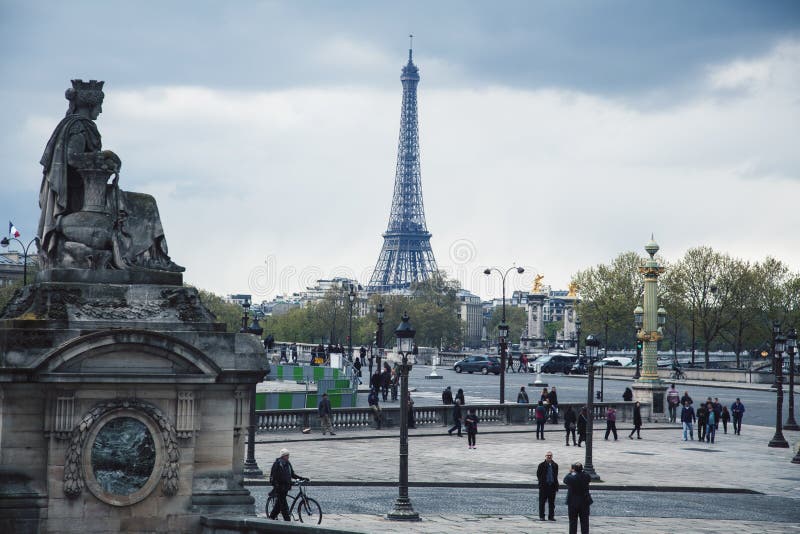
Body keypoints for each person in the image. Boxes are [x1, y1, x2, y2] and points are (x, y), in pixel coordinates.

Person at [268, 448, 307, 521]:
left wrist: (302, 478)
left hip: (286, 487)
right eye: (286, 455)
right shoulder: (277, 464)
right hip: (279, 488)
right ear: (283, 456)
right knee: (283, 506)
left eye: (288, 455)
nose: (288, 457)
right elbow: (273, 476)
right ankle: (288, 521)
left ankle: (271, 518)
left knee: (278, 505)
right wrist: (276, 485)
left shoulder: (288, 463)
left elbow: (292, 474)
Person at [564, 462, 592, 534]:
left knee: (573, 522)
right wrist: (581, 471)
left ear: (574, 469)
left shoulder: (571, 478)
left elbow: (565, 480)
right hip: (584, 501)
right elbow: (589, 477)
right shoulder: (586, 476)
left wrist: (570, 472)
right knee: (585, 522)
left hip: (573, 502)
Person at [536, 451, 559, 521]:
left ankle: (551, 516)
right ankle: (542, 516)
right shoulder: (541, 465)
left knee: (552, 503)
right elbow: (538, 474)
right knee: (542, 502)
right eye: (548, 455)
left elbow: (555, 475)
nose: (549, 457)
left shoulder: (555, 465)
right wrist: (542, 481)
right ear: (545, 456)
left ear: (552, 456)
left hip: (552, 486)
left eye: (550, 455)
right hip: (544, 486)